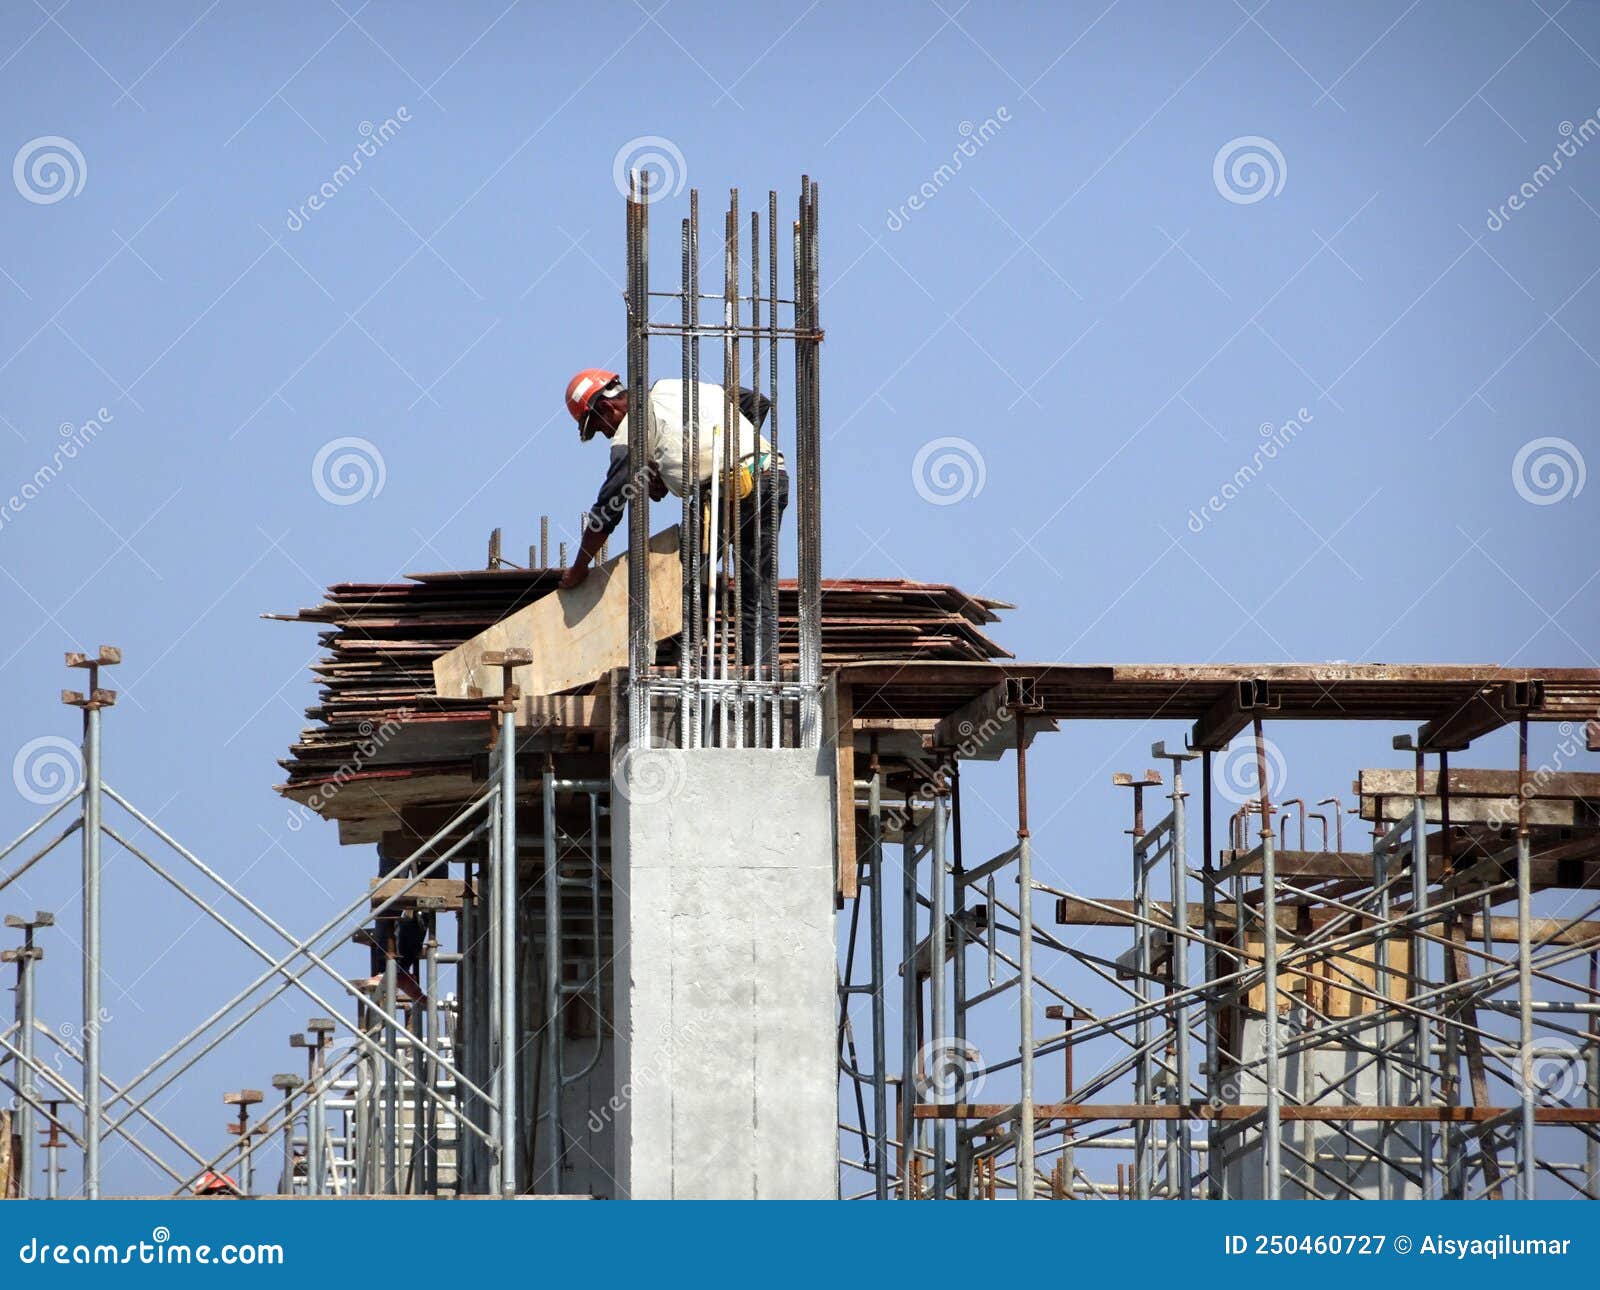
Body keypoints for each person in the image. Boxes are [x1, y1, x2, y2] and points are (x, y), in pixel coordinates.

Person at [561, 368, 787, 669]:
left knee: (684, 576)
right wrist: (695, 461)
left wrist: (579, 568)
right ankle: (760, 672)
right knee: (755, 586)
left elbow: (609, 507)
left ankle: (689, 664)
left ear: (606, 407)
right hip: (770, 477)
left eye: (601, 428)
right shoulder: (675, 388)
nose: (607, 434)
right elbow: (757, 403)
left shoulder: (631, 429)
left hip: (725, 493)